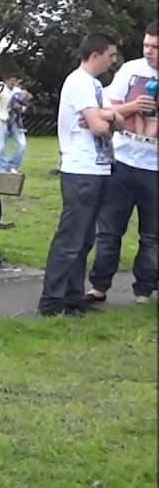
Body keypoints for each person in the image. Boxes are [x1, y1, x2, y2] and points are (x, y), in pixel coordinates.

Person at [38, 32, 124, 317]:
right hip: (81, 170)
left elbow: (119, 122)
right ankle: (52, 299)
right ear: (95, 54)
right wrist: (104, 118)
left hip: (99, 167)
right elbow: (98, 128)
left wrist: (106, 116)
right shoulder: (79, 82)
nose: (113, 60)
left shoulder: (95, 85)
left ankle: (73, 297)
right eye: (110, 55)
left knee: (85, 238)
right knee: (70, 239)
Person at [87, 22, 157, 306]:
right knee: (109, 230)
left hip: (154, 169)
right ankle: (99, 286)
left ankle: (144, 290)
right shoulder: (131, 70)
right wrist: (133, 107)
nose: (149, 52)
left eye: (155, 47)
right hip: (123, 161)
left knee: (152, 235)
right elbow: (106, 108)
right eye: (146, 45)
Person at [0, 75, 28, 173]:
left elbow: (24, 105)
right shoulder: (0, 91)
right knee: (1, 147)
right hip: (2, 123)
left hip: (15, 122)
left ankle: (12, 166)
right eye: (11, 81)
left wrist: (20, 108)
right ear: (6, 81)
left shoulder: (17, 91)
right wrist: (2, 117)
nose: (13, 83)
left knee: (22, 144)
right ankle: (1, 167)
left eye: (15, 81)